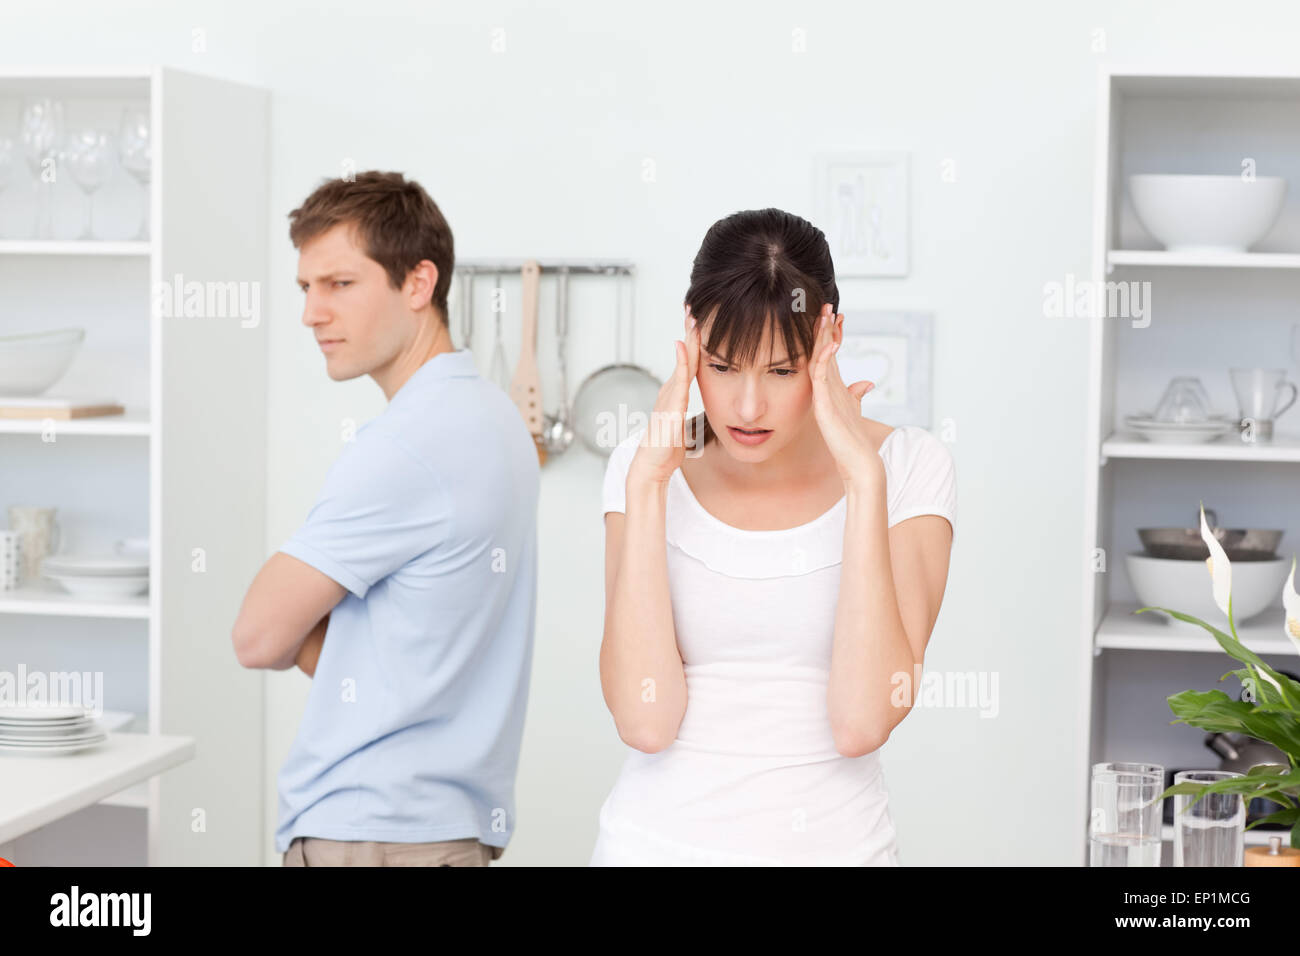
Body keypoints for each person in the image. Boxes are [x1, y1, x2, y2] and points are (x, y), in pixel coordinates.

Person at [591, 208, 956, 865]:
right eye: (723, 367)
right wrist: (648, 484)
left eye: (782, 371)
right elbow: (645, 722)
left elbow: (861, 721)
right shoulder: (642, 469)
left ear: (831, 337)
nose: (747, 407)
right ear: (691, 334)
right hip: (650, 847)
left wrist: (863, 483)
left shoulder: (906, 469)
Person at [231, 171, 540, 867]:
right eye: (305, 288)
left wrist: (329, 651)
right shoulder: (495, 417)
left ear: (418, 283)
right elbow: (426, 645)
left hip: (369, 832)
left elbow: (256, 635)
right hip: (450, 830)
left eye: (340, 284)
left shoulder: (405, 445)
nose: (313, 312)